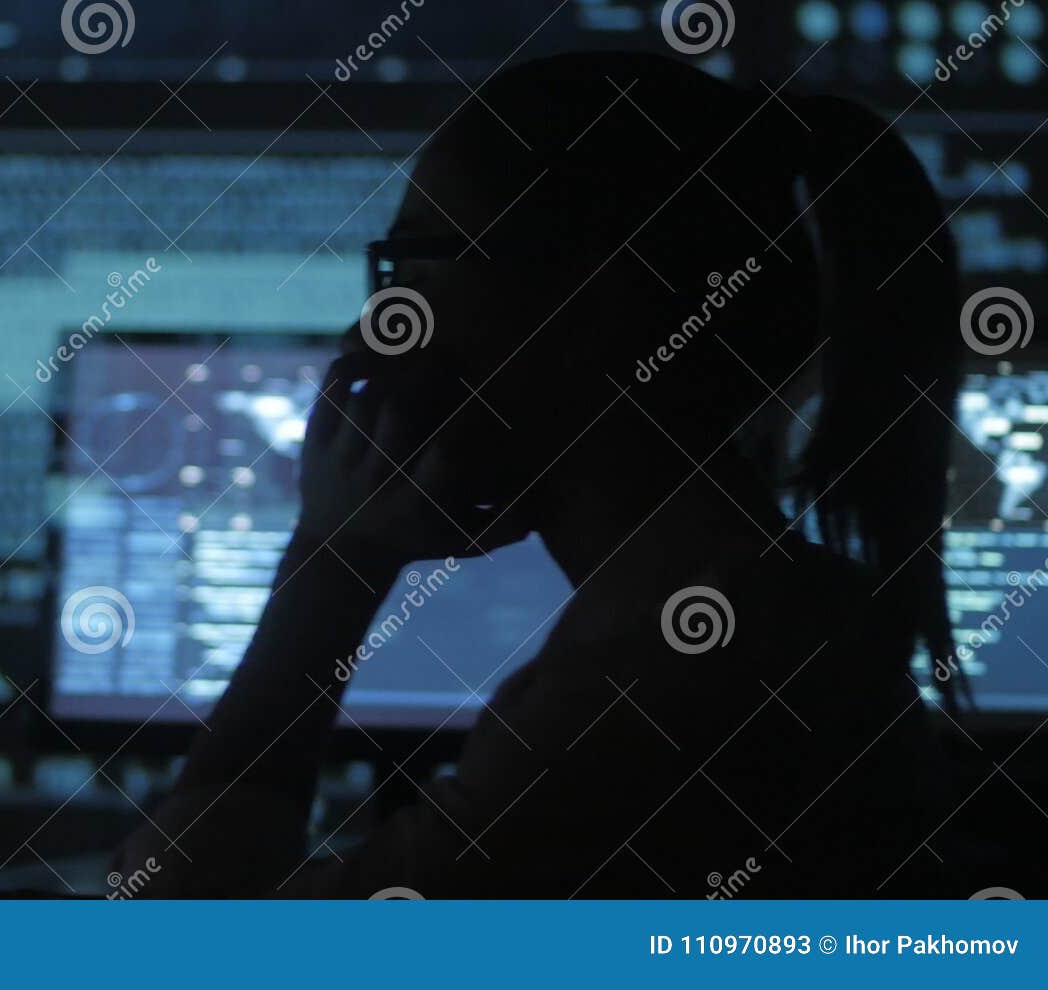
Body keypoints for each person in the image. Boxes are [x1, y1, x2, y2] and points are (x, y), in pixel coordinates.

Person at [113, 52, 966, 897]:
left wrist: (330, 567)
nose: (374, 325)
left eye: (413, 263)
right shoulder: (740, 623)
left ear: (591, 307)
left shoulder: (664, 691)